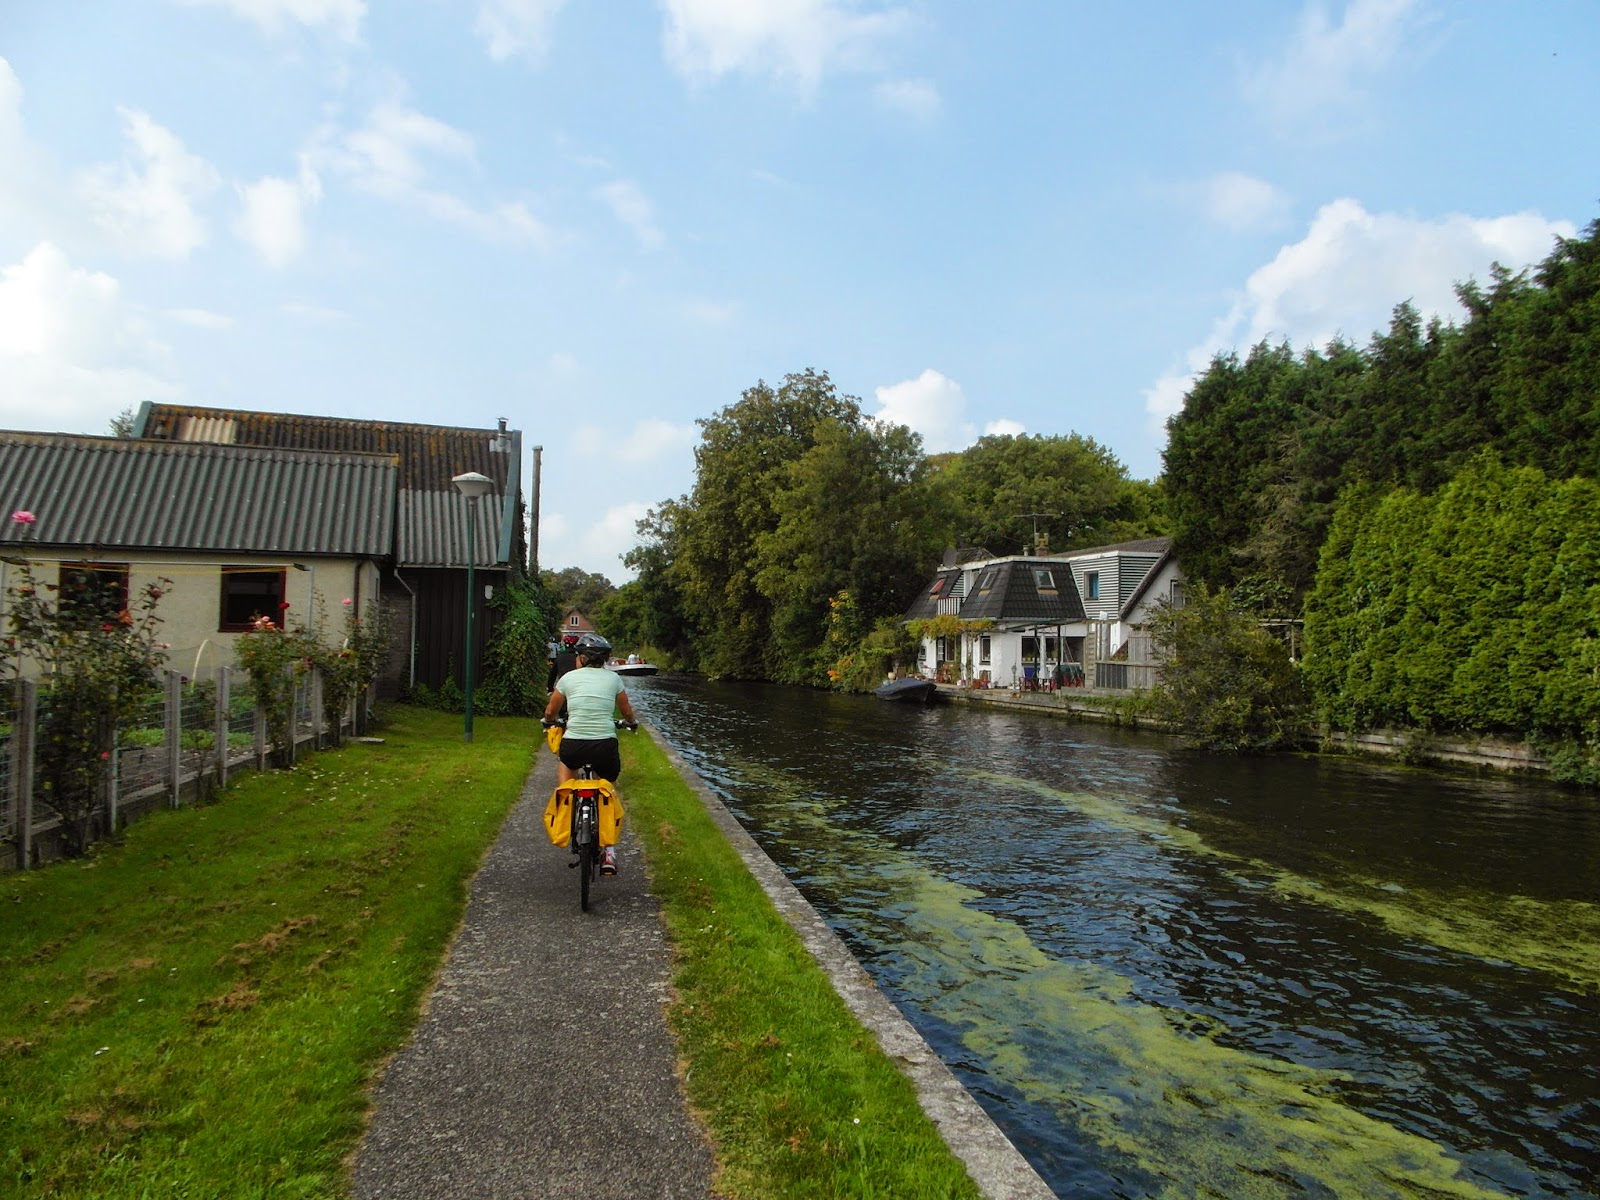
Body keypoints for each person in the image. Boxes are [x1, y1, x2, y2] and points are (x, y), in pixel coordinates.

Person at [543, 632, 637, 874]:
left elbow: (552, 710)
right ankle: (609, 853)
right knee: (606, 790)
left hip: (574, 744)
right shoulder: (614, 679)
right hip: (604, 746)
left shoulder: (568, 679)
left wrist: (548, 721)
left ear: (582, 658)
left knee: (566, 776)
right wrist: (631, 722)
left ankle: (569, 811)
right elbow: (626, 711)